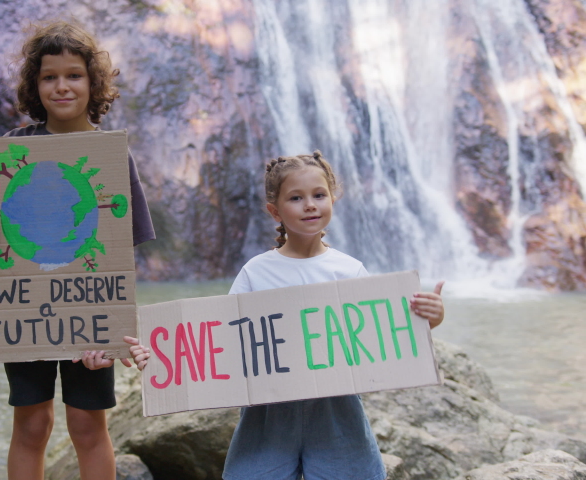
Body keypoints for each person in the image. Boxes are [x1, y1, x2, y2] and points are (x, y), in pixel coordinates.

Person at [0, 21, 155, 480]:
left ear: (94, 82)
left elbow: (118, 252)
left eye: (74, 75)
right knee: (31, 424)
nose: (61, 86)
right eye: (49, 77)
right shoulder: (10, 151)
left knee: (88, 427)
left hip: (89, 313)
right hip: (21, 313)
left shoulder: (110, 155)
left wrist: (109, 325)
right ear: (34, 84)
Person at [126, 151, 444, 480]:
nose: (310, 204)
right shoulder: (255, 272)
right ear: (274, 211)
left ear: (332, 199)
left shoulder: (350, 271)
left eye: (319, 195)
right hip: (268, 415)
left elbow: (382, 333)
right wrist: (158, 357)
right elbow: (219, 341)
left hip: (336, 411)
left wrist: (427, 318)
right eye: (296, 198)